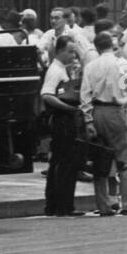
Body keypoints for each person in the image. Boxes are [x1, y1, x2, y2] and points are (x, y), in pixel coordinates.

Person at [80, 32, 127, 216]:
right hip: (116, 111)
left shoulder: (90, 67)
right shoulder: (122, 66)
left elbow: (85, 95)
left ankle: (103, 204)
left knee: (100, 157)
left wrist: (88, 119)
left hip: (97, 111)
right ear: (111, 45)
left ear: (97, 47)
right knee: (124, 158)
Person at [41, 35, 84, 217]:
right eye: (69, 51)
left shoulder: (62, 69)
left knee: (59, 162)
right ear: (59, 51)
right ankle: (63, 206)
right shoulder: (56, 70)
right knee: (66, 163)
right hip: (62, 120)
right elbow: (47, 95)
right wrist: (68, 108)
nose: (73, 55)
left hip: (63, 119)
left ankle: (56, 205)